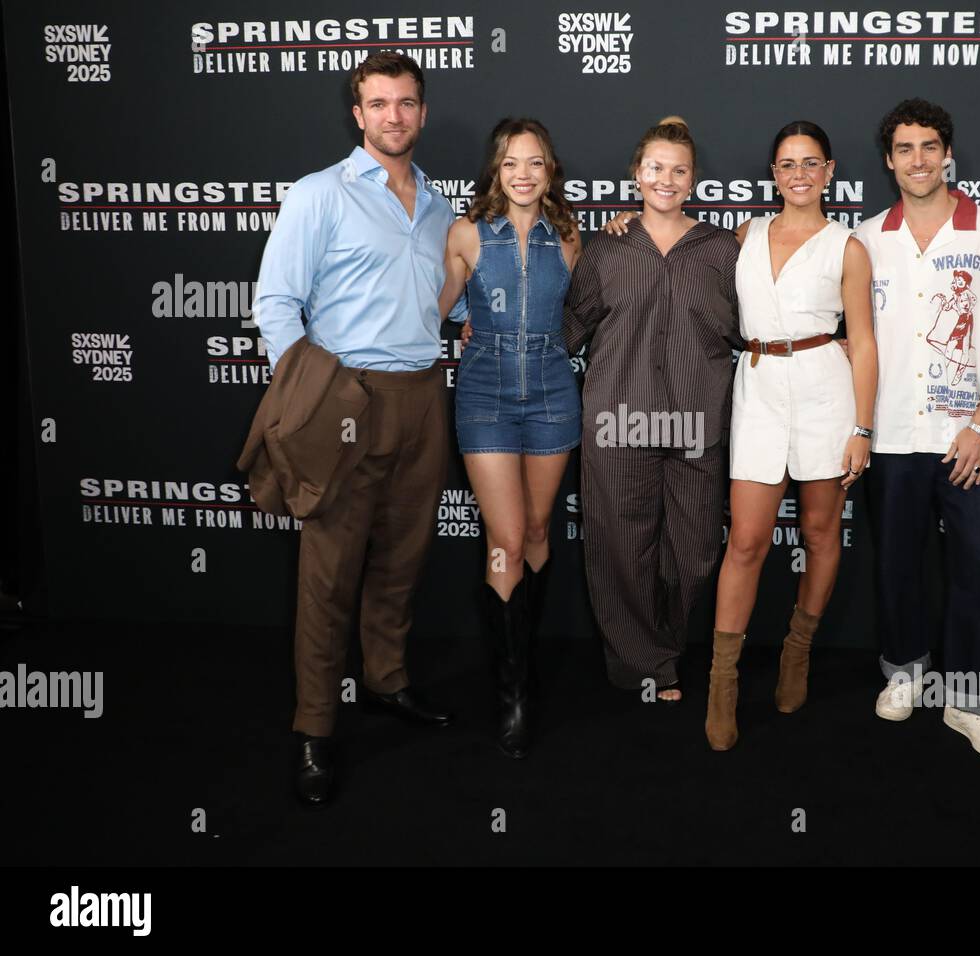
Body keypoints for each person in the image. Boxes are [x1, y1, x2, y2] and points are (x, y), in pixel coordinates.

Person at [252, 52, 458, 807]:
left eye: (406, 103)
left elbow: (455, 307)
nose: (394, 116)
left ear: (422, 112)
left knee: (402, 559)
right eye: (379, 104)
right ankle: (315, 728)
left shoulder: (440, 208)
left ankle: (387, 681)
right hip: (344, 401)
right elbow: (277, 301)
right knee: (328, 574)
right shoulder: (321, 195)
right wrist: (312, 393)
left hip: (422, 396)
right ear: (358, 114)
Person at [853, 98, 980, 761]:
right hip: (891, 436)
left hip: (968, 439)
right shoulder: (867, 236)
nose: (918, 159)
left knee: (975, 569)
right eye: (904, 149)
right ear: (888, 160)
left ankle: (968, 704)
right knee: (896, 563)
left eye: (929, 146)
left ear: (948, 153)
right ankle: (904, 671)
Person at [704, 121, 877, 752]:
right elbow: (682, 261)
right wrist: (622, 228)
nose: (798, 174)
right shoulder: (745, 235)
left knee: (820, 532)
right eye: (785, 164)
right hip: (758, 388)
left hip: (825, 390)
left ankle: (797, 652)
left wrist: (862, 426)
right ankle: (722, 683)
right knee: (746, 541)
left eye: (810, 163)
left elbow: (862, 341)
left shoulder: (847, 247)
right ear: (773, 174)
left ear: (829, 170)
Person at [564, 117, 742, 702]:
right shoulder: (608, 246)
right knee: (622, 550)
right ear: (637, 174)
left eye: (679, 169)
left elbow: (759, 323)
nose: (667, 179)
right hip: (618, 422)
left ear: (694, 179)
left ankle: (664, 647)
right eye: (656, 168)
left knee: (693, 552)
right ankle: (648, 667)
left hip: (695, 424)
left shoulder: (722, 248)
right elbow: (568, 329)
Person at [438, 118, 582, 759]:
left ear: (550, 171)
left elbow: (588, 307)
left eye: (536, 163)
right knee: (505, 537)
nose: (523, 175)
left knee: (537, 532)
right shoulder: (467, 232)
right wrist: (468, 317)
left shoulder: (571, 235)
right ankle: (513, 694)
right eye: (511, 164)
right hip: (487, 393)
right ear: (495, 171)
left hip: (553, 389)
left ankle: (524, 656)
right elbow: (438, 302)